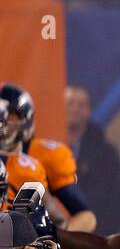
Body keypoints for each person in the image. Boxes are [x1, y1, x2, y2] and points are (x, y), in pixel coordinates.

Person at [1, 83, 97, 232]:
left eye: (9, 116)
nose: (3, 123)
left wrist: (49, 243)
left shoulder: (35, 162)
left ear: (25, 119)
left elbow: (85, 217)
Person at [65, 84, 120, 233]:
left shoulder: (106, 152)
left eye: (81, 105)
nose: (75, 109)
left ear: (88, 111)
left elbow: (119, 198)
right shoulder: (41, 147)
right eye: (69, 103)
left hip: (92, 239)